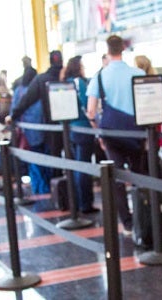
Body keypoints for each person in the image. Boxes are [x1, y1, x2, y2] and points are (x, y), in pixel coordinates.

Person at [85, 35, 146, 233]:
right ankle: (143, 216)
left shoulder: (99, 76)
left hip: (111, 134)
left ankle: (127, 223)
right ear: (123, 49)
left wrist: (99, 134)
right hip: (137, 133)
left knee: (117, 178)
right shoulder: (138, 73)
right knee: (139, 175)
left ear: (107, 50)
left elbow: (91, 111)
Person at [8, 51, 66, 195]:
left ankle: (59, 194)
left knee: (54, 158)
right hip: (73, 127)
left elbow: (27, 100)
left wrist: (13, 116)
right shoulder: (67, 77)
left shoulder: (41, 79)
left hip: (51, 128)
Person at [61, 55, 98, 214]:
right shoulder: (79, 83)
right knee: (83, 166)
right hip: (83, 129)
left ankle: (77, 201)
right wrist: (95, 126)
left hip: (71, 129)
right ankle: (85, 203)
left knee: (77, 165)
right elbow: (87, 107)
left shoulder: (64, 83)